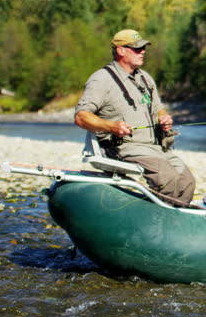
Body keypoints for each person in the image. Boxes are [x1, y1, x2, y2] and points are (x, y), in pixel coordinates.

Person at [74, 29, 196, 205]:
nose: (142, 52)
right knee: (167, 178)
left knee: (187, 182)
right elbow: (81, 116)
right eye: (137, 48)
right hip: (124, 147)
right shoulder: (101, 79)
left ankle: (174, 215)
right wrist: (111, 126)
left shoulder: (145, 78)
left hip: (155, 147)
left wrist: (164, 118)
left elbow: (159, 109)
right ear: (120, 50)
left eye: (143, 48)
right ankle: (157, 214)